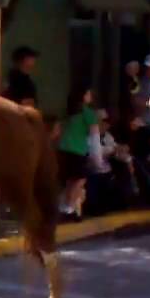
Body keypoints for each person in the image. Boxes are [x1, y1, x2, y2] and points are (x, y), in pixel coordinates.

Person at [56, 88, 101, 221]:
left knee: (70, 181)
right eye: (87, 93)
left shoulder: (70, 112)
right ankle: (68, 208)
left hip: (63, 149)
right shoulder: (88, 113)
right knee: (80, 180)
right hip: (77, 150)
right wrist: (97, 158)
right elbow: (95, 137)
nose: (90, 95)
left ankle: (65, 207)